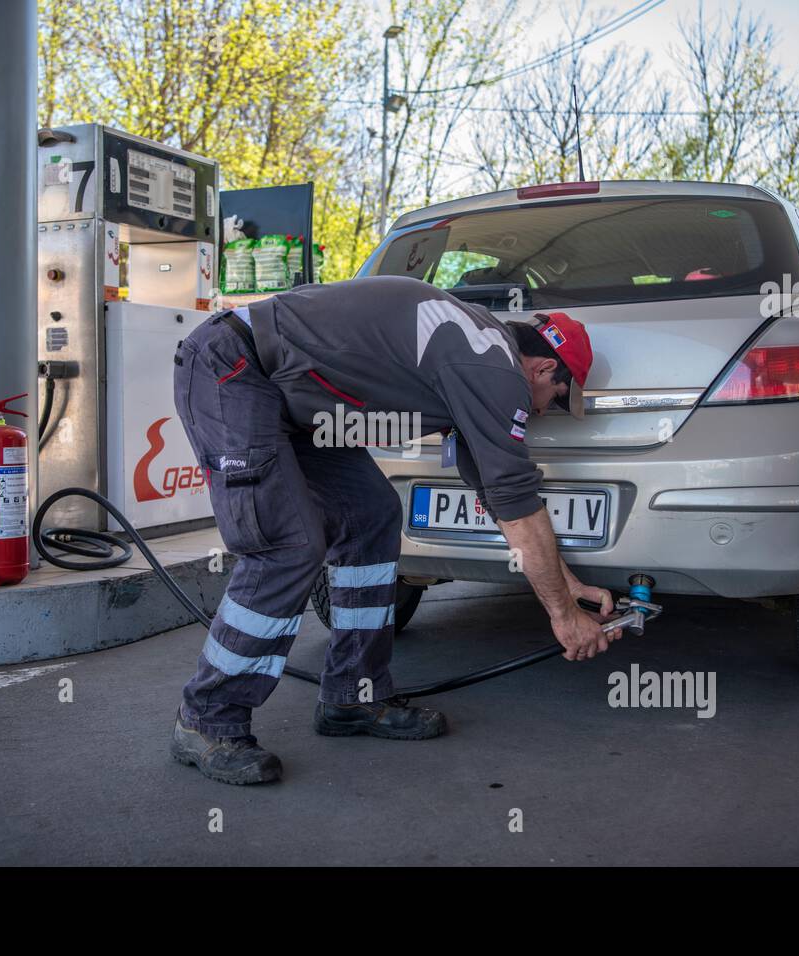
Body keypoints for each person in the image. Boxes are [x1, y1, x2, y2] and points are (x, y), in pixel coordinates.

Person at [169, 274, 617, 785]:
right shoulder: (490, 366)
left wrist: (568, 585)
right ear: (543, 367)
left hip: (298, 401)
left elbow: (501, 495)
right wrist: (563, 617)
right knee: (287, 545)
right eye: (555, 399)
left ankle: (352, 697)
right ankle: (207, 716)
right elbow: (518, 506)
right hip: (236, 368)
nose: (543, 412)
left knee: (372, 518)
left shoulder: (477, 350)